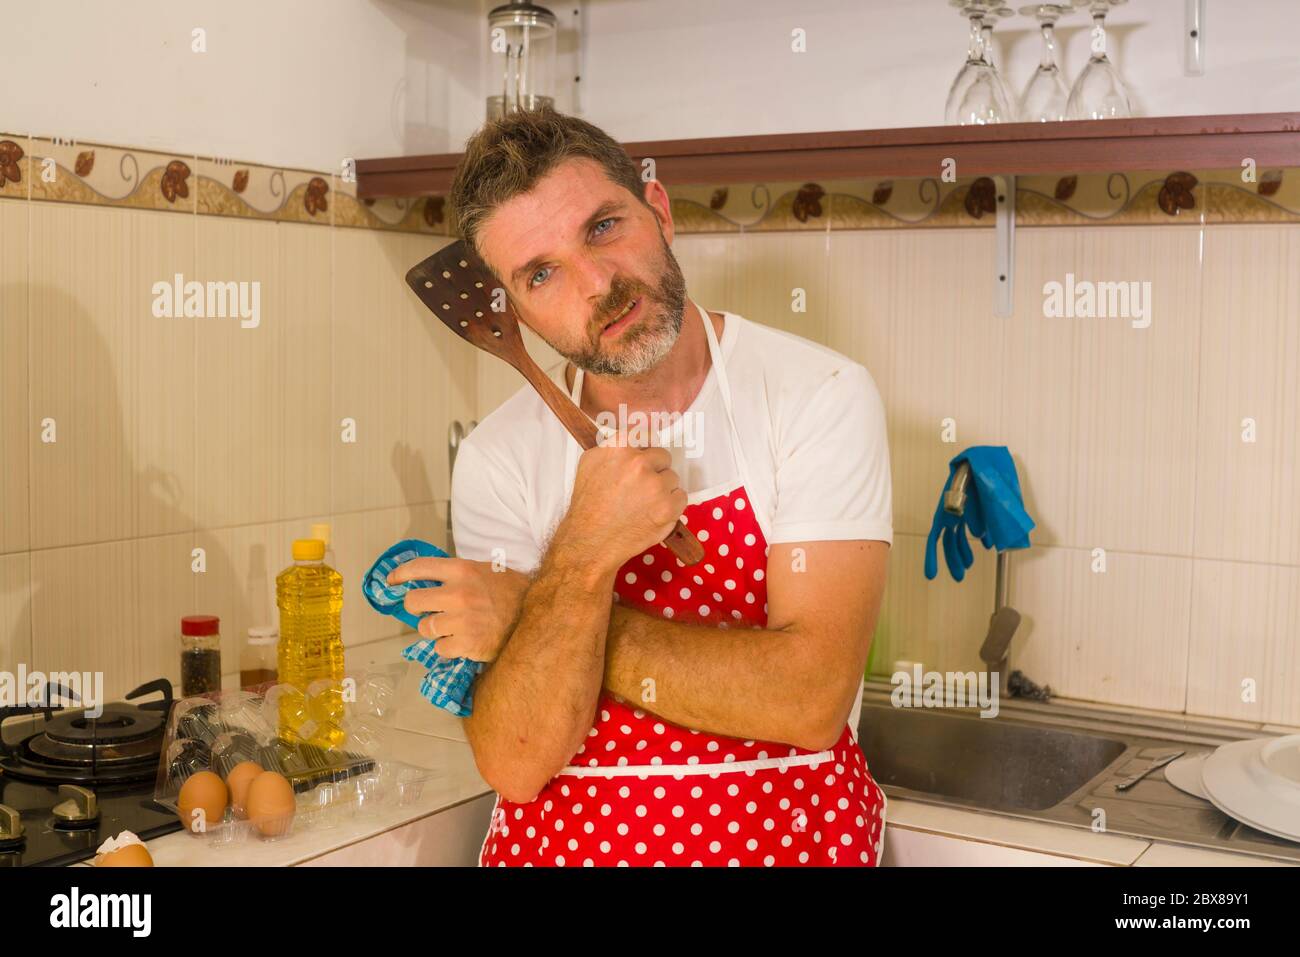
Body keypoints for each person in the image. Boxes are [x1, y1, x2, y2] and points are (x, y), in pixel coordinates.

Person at [388, 106, 892, 867]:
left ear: (658, 211)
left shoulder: (815, 395)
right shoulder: (498, 455)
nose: (598, 285)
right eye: (542, 273)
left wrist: (532, 605)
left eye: (601, 227)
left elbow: (808, 698)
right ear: (513, 313)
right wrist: (586, 552)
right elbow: (520, 760)